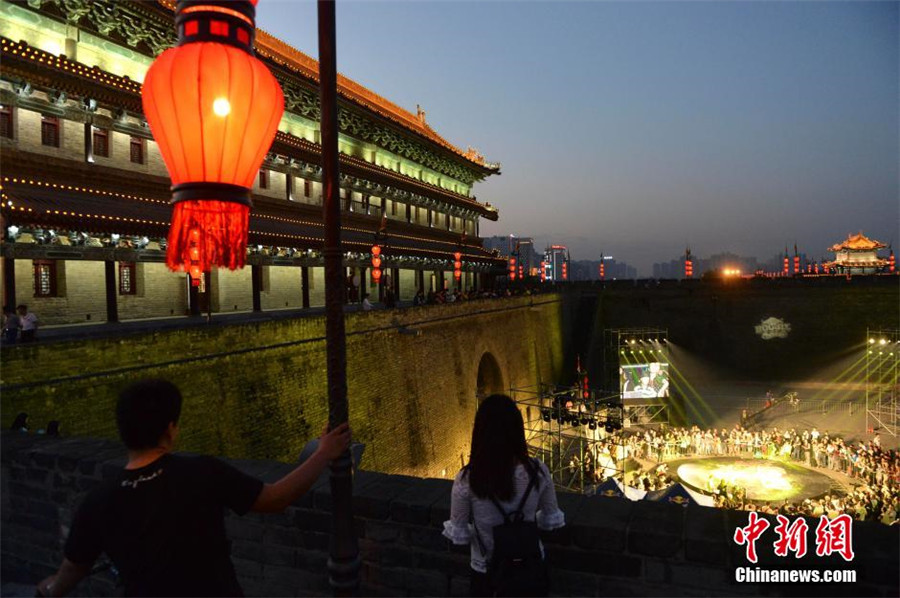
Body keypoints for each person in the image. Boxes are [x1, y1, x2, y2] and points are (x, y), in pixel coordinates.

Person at [37, 379, 351, 597]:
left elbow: (72, 570)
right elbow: (276, 498)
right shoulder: (201, 472)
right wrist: (323, 453)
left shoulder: (99, 500)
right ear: (170, 429)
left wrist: (48, 589)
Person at [443, 394, 564, 597]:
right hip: (530, 567)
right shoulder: (538, 471)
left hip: (488, 572)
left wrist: (485, 528)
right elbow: (550, 520)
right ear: (517, 430)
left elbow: (460, 534)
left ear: (480, 432)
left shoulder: (467, 479)